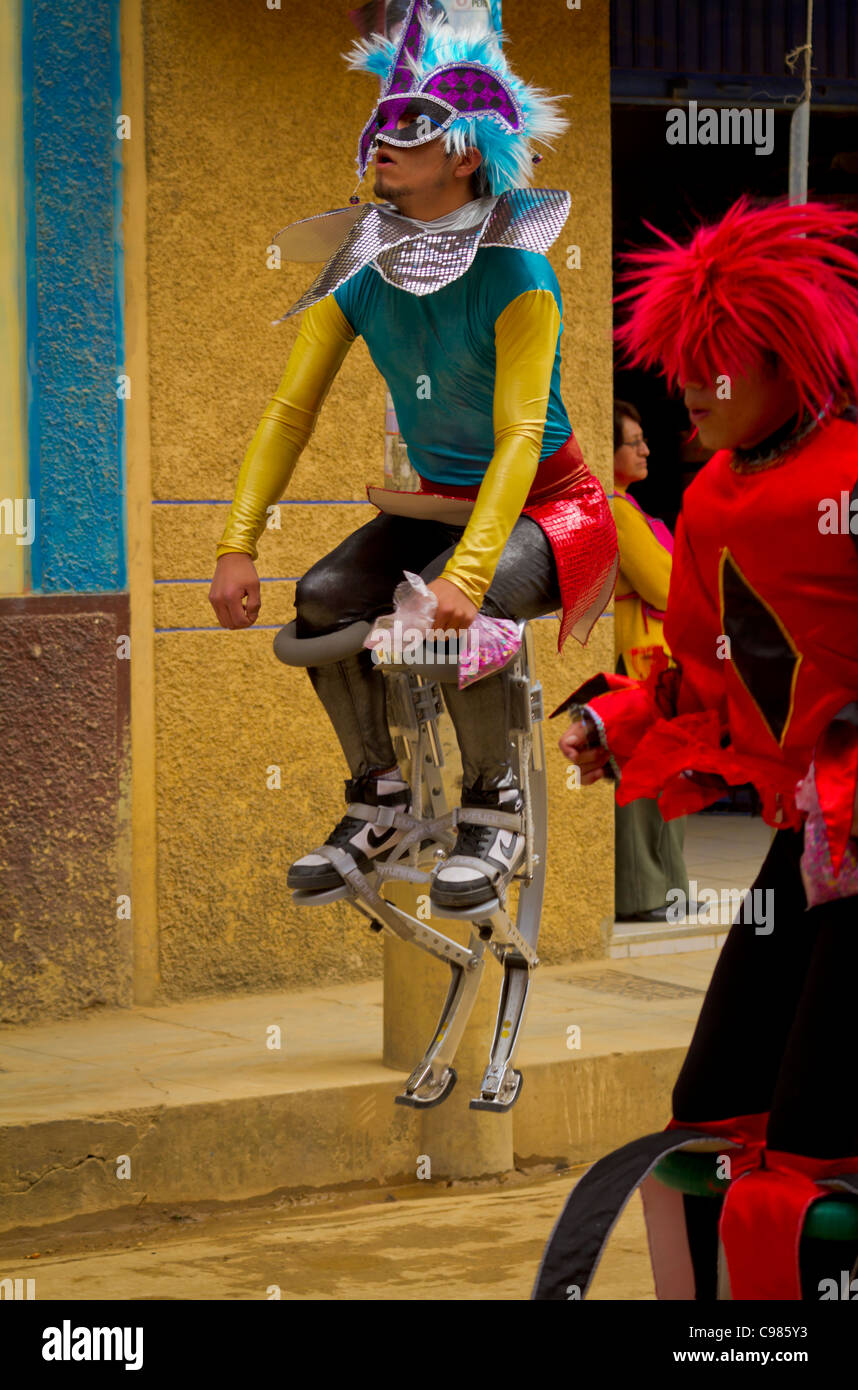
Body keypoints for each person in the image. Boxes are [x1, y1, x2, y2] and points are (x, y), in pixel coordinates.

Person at [209, 1, 617, 913]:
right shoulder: (359, 263)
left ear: (467, 151)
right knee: (320, 600)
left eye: (411, 124)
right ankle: (378, 797)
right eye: (379, 123)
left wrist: (468, 576)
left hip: (551, 511)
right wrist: (239, 543)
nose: (382, 141)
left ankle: (492, 808)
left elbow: (521, 436)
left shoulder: (521, 272)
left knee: (435, 612)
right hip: (436, 506)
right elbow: (289, 411)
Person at [535, 197, 858, 1301]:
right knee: (706, 1132)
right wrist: (609, 721)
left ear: (788, 361)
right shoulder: (713, 495)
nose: (690, 389)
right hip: (802, 843)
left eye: (717, 365)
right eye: (684, 364)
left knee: (811, 1163)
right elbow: (695, 670)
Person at [612, 399, 688, 922]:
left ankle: (669, 891)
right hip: (638, 666)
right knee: (643, 783)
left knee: (667, 776)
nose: (645, 449)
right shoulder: (616, 508)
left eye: (642, 439)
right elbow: (667, 583)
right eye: (632, 441)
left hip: (654, 662)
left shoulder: (632, 509)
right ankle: (644, 897)